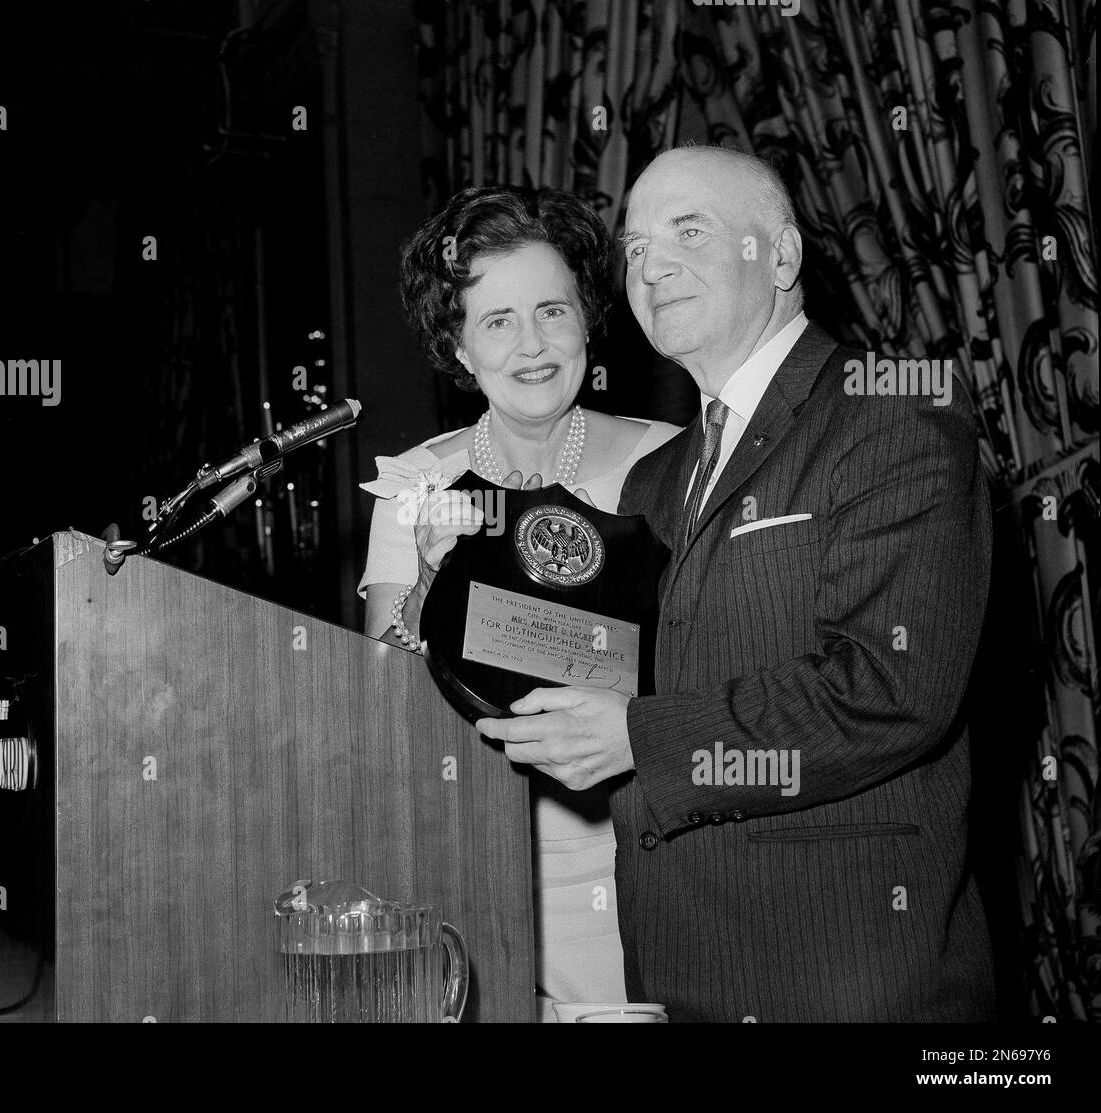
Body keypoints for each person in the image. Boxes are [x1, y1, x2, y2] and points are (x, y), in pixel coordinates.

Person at [477, 146, 997, 1021]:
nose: (653, 265)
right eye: (636, 248)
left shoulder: (894, 414)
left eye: (689, 231)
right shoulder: (656, 477)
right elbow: (621, 676)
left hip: (847, 973)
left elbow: (893, 690)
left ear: (783, 257)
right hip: (675, 970)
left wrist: (644, 736)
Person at [358, 185, 682, 1019]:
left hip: (653, 854)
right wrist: (431, 579)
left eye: (553, 311)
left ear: (587, 321)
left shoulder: (674, 465)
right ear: (458, 347)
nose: (531, 345)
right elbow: (383, 705)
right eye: (497, 320)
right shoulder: (416, 485)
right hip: (478, 869)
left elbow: (714, 666)